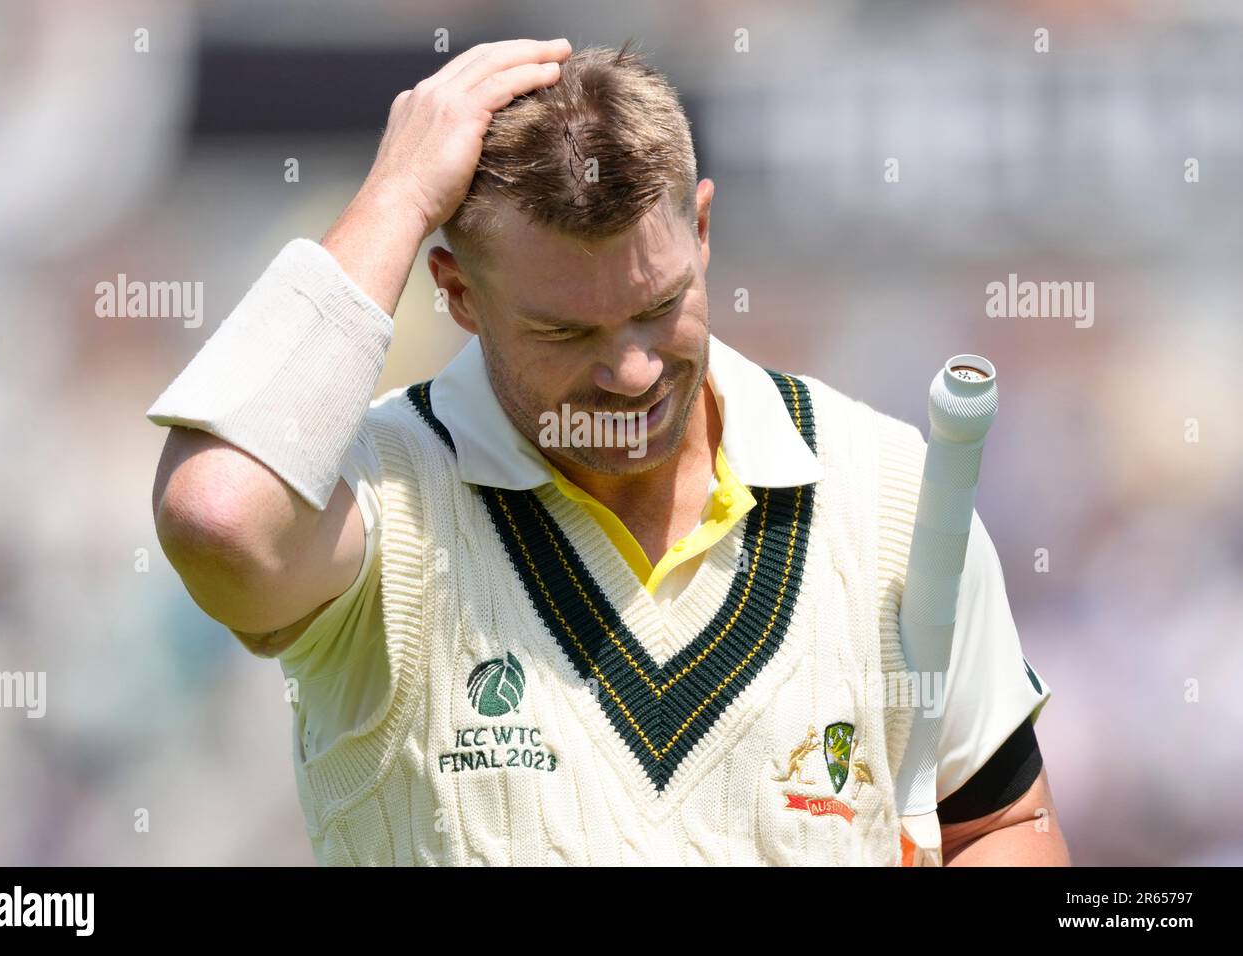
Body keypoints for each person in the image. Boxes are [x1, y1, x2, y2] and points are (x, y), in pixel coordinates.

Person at [147, 39, 1068, 866]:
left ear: (702, 233)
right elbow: (222, 519)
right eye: (563, 330)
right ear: (456, 292)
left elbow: (999, 825)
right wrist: (396, 195)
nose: (630, 374)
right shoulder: (379, 497)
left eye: (658, 307)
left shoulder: (890, 486)